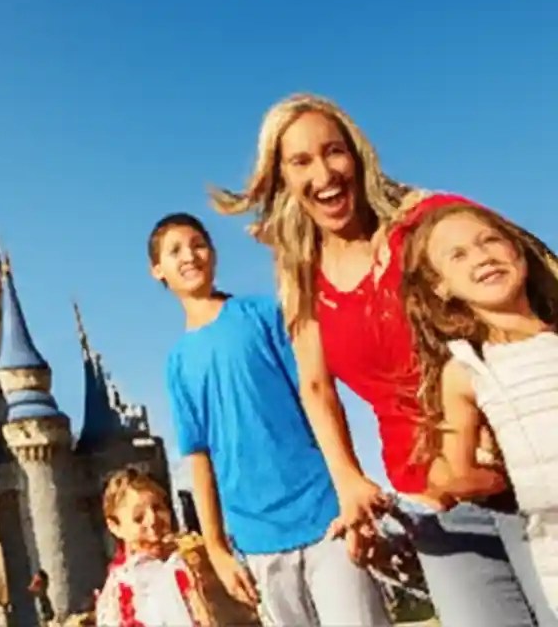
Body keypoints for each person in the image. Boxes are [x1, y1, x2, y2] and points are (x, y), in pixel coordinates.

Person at [210, 92, 546, 627]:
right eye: (301, 161)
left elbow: (531, 275)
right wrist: (348, 481)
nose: (324, 174)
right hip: (435, 498)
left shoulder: (426, 220)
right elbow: (316, 388)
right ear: (282, 178)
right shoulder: (302, 275)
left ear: (358, 154)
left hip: (520, 466)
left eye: (333, 151)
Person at [148, 212, 390, 625]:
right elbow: (199, 458)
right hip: (257, 539)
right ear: (158, 270)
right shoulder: (177, 364)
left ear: (213, 253)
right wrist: (217, 549)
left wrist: (348, 482)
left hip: (325, 512)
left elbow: (318, 395)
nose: (189, 255)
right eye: (175, 251)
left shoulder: (263, 314)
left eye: (198, 244)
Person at [401, 201, 558, 614]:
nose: (482, 256)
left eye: (490, 240)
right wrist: (507, 477)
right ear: (441, 286)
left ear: (518, 252)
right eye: (458, 255)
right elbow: (458, 473)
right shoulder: (466, 369)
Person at [96, 467, 212, 627]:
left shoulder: (184, 561)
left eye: (158, 508)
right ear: (115, 527)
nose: (152, 520)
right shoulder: (122, 584)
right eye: (138, 518)